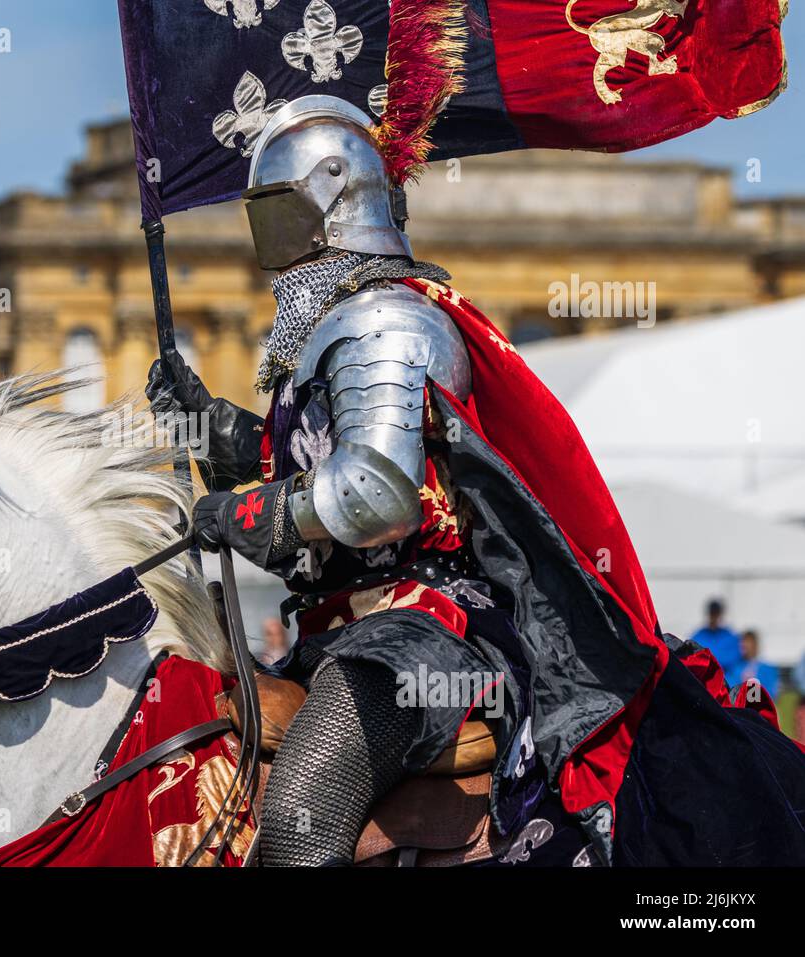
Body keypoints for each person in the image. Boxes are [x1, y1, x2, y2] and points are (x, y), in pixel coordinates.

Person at [148, 94, 805, 866]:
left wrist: (253, 512)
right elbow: (319, 461)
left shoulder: (384, 323)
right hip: (344, 625)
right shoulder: (335, 332)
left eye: (277, 213)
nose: (265, 240)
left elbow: (377, 492)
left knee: (297, 816)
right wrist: (213, 428)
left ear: (329, 205)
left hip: (426, 628)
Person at [689, 599, 742, 685]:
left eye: (716, 614)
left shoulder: (730, 636)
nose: (714, 617)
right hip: (704, 683)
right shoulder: (698, 636)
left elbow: (735, 659)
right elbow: (691, 657)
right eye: (712, 613)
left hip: (727, 683)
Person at [733, 630, 779, 702]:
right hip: (738, 707)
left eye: (748, 642)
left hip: (760, 708)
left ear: (755, 645)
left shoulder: (767, 669)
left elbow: (772, 693)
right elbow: (731, 689)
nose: (744, 645)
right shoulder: (735, 668)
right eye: (743, 642)